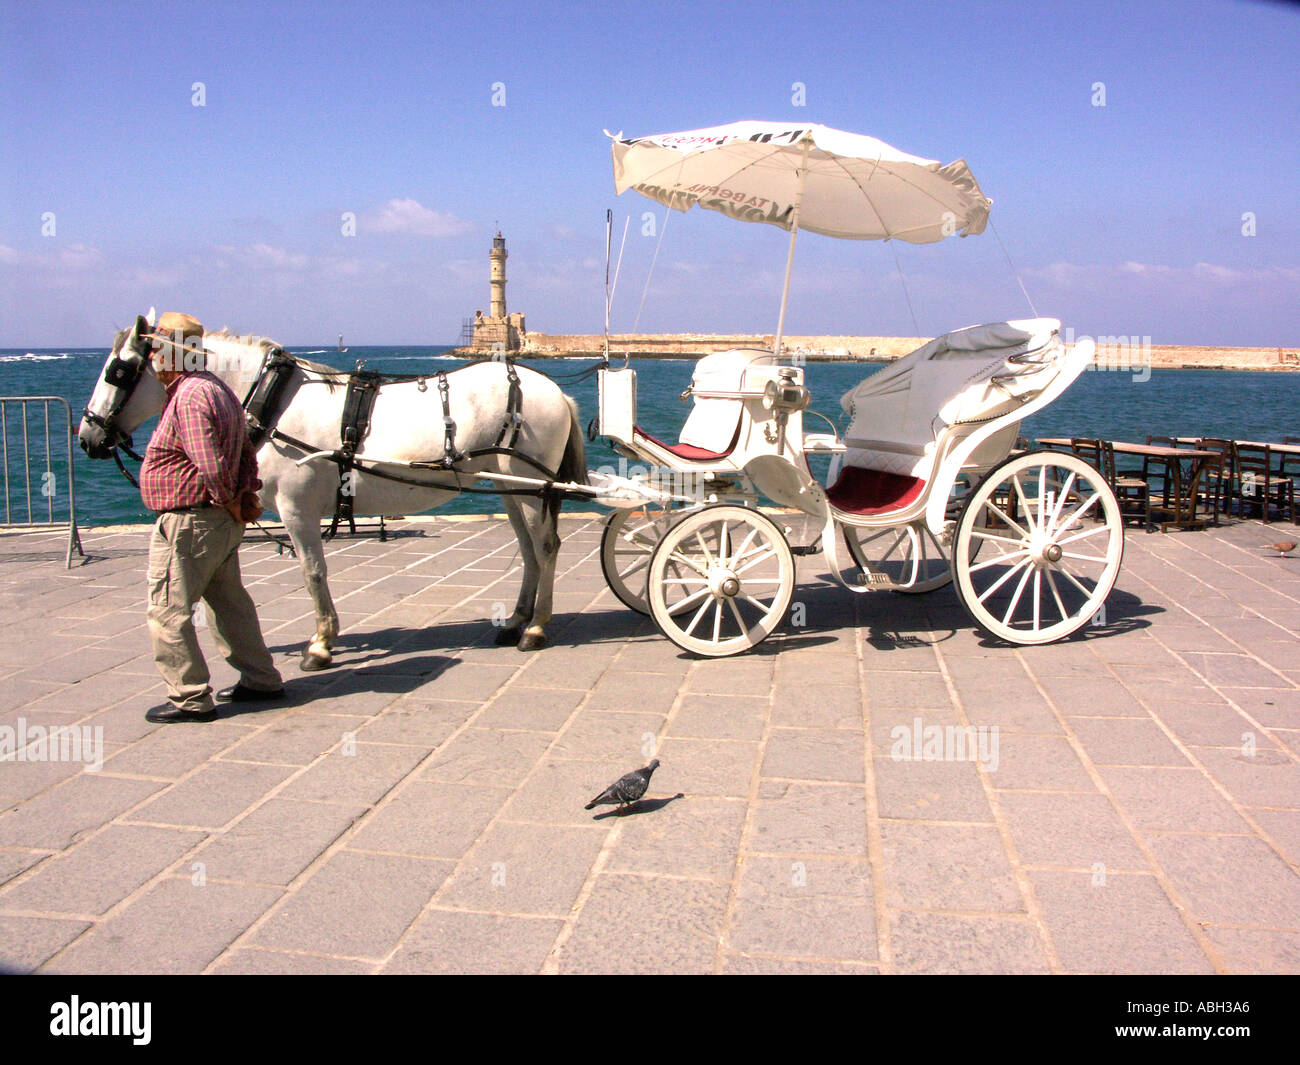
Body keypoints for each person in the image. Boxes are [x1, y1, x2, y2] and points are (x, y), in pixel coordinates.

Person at [139, 312, 285, 723]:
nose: (151, 358)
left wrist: (228, 497)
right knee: (229, 603)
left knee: (168, 608)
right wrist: (244, 495)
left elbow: (210, 463)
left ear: (171, 356)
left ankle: (189, 698)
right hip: (216, 520)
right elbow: (243, 450)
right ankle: (260, 679)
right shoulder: (217, 390)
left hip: (191, 520)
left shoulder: (188, 396)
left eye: (155, 350)